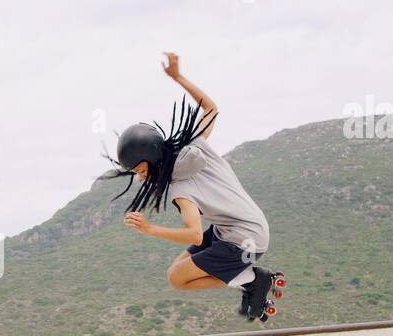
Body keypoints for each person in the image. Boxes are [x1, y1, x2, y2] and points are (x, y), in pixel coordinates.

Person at [100, 52, 281, 320]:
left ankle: (252, 279)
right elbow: (211, 108)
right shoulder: (194, 144)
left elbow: (195, 235)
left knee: (177, 278)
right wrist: (178, 77)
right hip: (238, 229)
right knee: (180, 267)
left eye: (140, 170)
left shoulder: (180, 190)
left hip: (243, 240)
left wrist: (149, 229)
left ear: (151, 160)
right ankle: (251, 279)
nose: (140, 178)